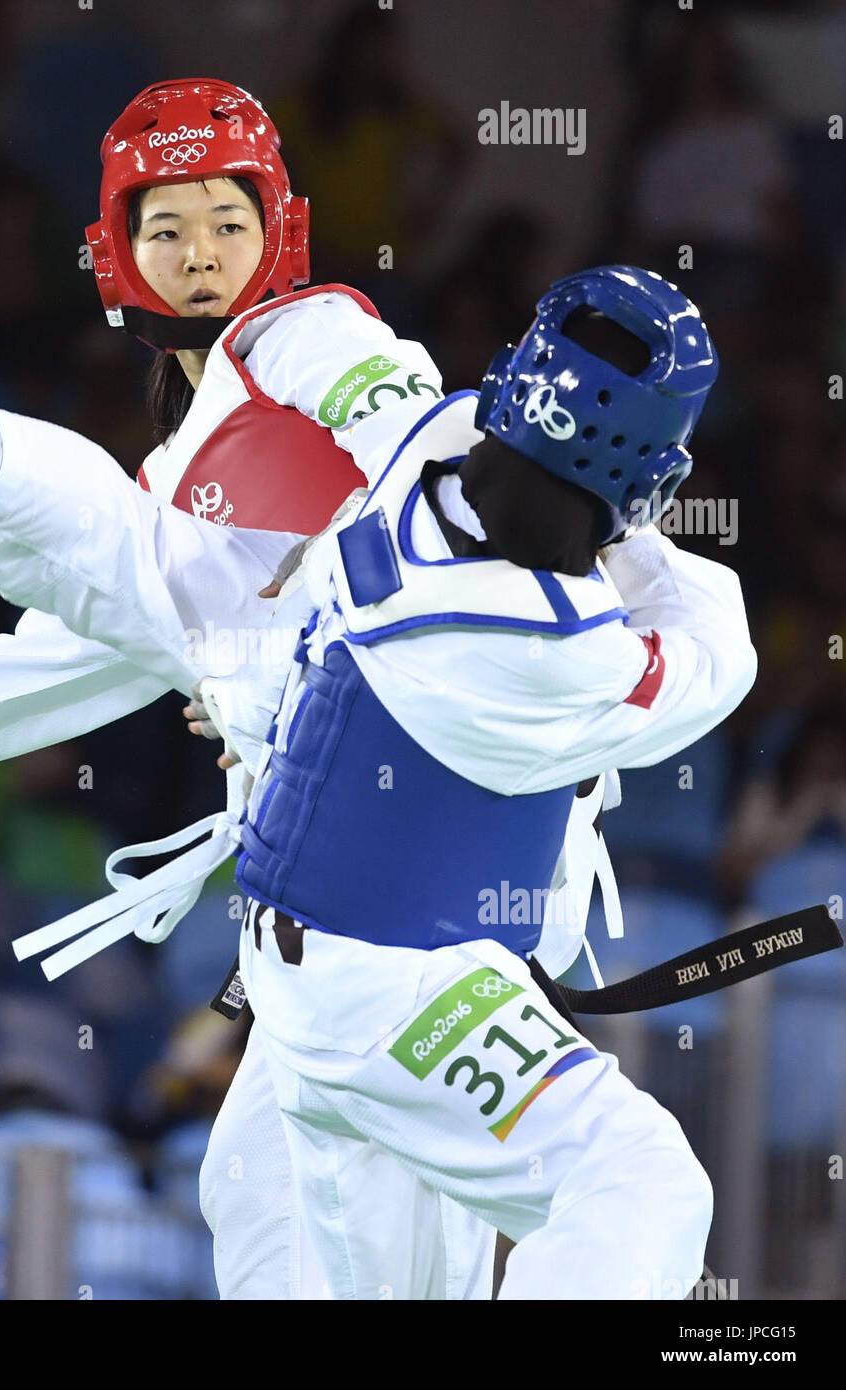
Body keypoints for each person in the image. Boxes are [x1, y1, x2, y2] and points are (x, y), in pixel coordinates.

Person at [0, 79, 496, 1299]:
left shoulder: (309, 333)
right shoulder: (178, 493)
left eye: (228, 222)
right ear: (115, 255)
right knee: (259, 1204)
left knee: (380, 1242)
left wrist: (479, 519)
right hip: (322, 908)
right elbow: (47, 667)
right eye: (165, 231)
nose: (200, 256)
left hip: (419, 869)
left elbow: (411, 433)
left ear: (279, 229)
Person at [207, 266, 756, 1297]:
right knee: (637, 1180)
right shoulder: (548, 651)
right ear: (649, 486)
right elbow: (717, 651)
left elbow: (290, 325)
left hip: (329, 975)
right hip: (394, 990)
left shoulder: (419, 435)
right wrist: (627, 526)